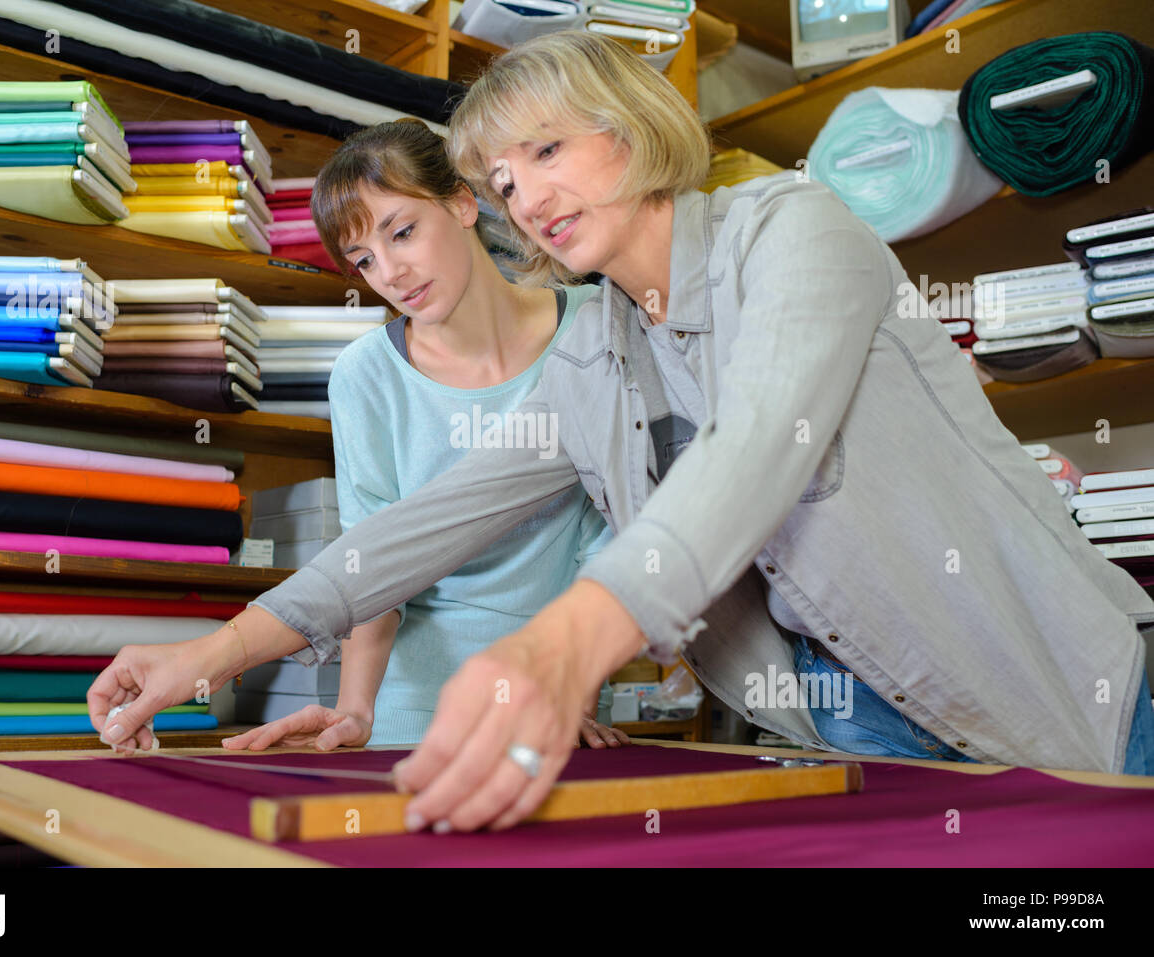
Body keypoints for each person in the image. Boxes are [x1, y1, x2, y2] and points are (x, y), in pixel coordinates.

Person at [90, 32, 1154, 834]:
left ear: (633, 124)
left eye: (547, 149)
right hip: (857, 746)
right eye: (506, 180)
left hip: (1058, 695)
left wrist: (559, 648)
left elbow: (751, 452)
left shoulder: (796, 231)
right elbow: (418, 528)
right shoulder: (596, 351)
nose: (529, 196)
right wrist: (211, 653)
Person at [115, 118, 627, 753]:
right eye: (363, 260)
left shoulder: (599, 328)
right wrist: (354, 710)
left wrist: (572, 686)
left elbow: (612, 539)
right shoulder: (365, 376)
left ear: (463, 202)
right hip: (412, 714)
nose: (391, 273)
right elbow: (373, 563)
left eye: (403, 232)